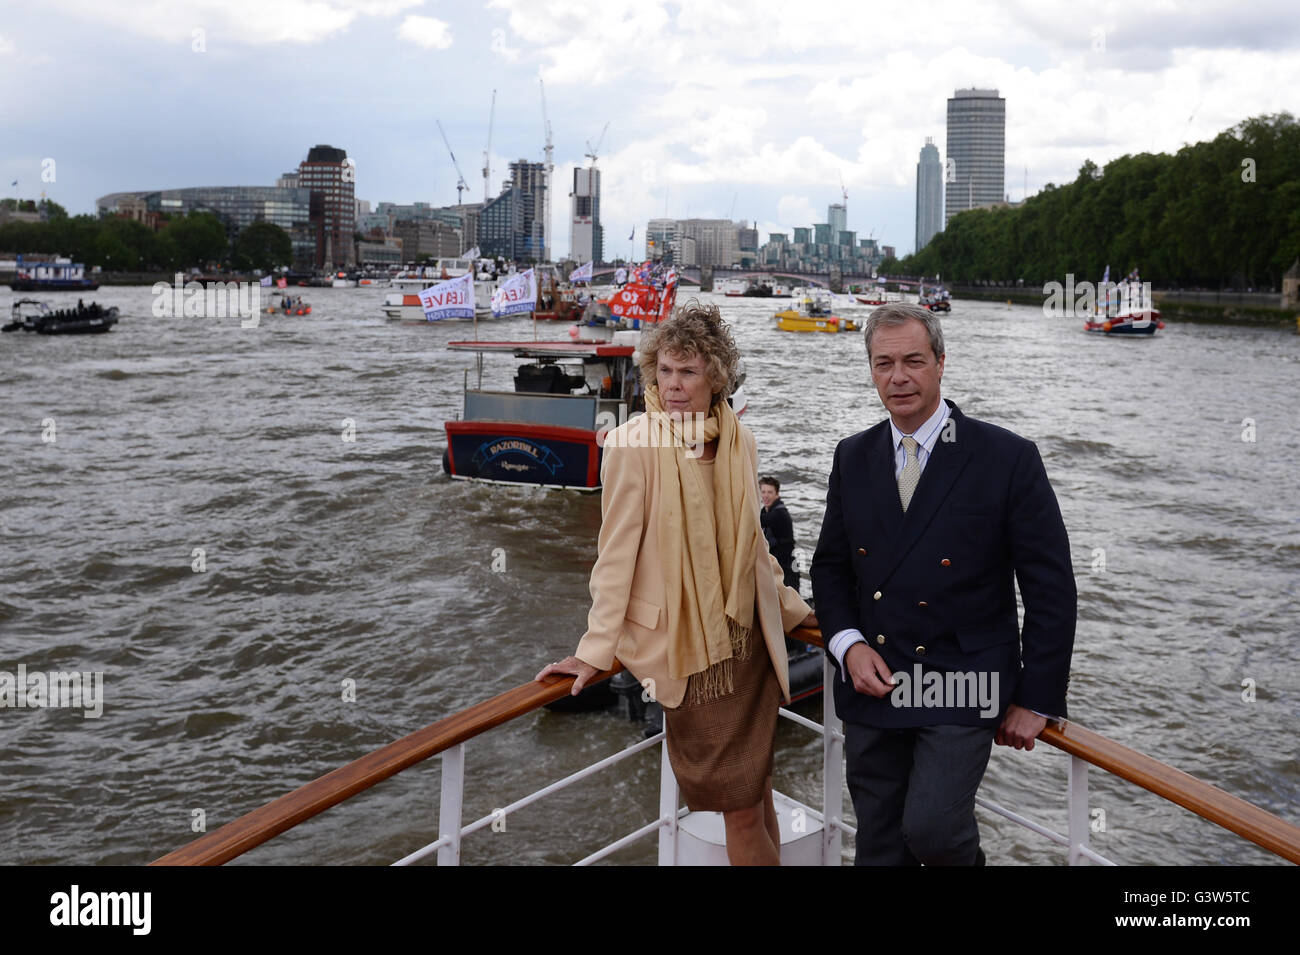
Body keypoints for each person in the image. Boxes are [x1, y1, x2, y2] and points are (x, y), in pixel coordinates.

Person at [536, 301, 816, 866]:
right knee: (737, 807)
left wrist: (794, 610)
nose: (674, 384)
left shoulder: (738, 439)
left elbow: (752, 547)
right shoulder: (633, 445)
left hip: (747, 647)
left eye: (688, 372)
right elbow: (614, 557)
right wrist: (594, 651)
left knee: (756, 792)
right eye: (665, 370)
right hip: (692, 659)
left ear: (716, 376)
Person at [810, 303, 1075, 866]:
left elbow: (1050, 588)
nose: (898, 377)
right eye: (884, 363)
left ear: (941, 363)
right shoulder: (852, 456)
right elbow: (831, 568)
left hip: (963, 680)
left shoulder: (1007, 458)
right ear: (871, 370)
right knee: (879, 843)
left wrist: (1037, 697)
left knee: (933, 828)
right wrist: (846, 645)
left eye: (913, 361)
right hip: (874, 679)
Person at [758, 477, 798, 591]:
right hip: (778, 566)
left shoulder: (779, 513)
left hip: (787, 569)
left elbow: (757, 521)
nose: (766, 495)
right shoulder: (765, 511)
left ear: (777, 494)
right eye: (763, 492)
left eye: (770, 492)